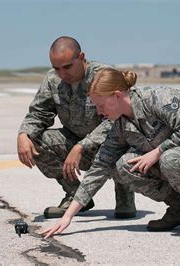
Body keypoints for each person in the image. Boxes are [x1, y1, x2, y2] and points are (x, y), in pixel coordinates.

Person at [40, 68, 180, 237]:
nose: (99, 112)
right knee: (124, 165)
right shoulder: (120, 125)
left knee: (170, 158)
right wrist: (68, 217)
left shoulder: (159, 99)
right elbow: (100, 167)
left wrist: (158, 151)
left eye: (101, 105)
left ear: (117, 95)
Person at [17, 37, 137, 219]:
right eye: (57, 68)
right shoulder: (53, 80)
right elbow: (39, 113)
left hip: (111, 144)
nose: (62, 73)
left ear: (81, 57)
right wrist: (24, 134)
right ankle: (75, 195)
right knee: (36, 141)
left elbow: (118, 118)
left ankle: (125, 197)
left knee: (124, 142)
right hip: (75, 141)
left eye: (67, 67)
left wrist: (82, 145)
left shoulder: (104, 76)